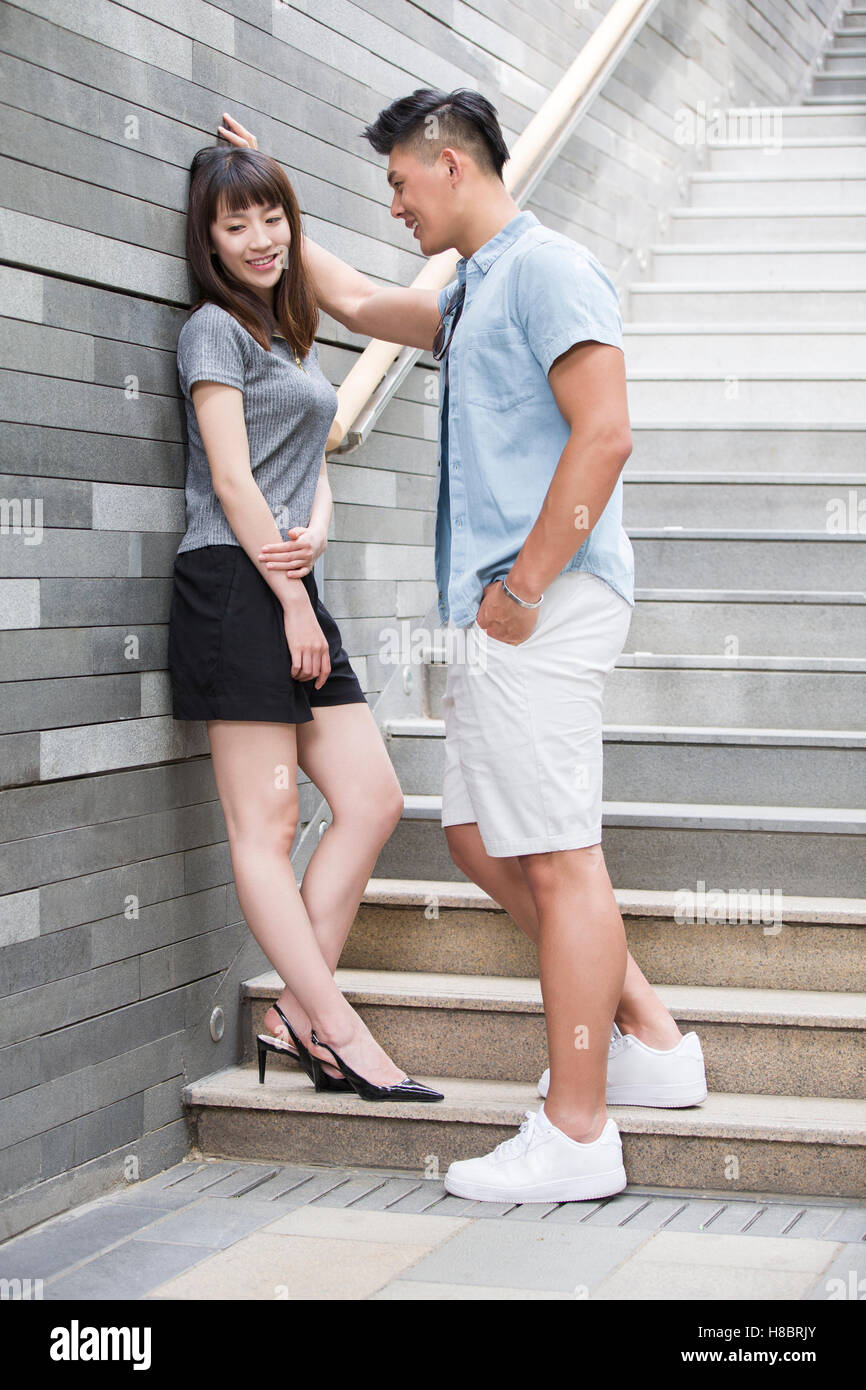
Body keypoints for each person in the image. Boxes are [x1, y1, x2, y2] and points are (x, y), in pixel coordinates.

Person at [218, 86, 705, 1200]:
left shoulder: (544, 270)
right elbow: (343, 296)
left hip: (539, 602)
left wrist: (529, 583)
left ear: (447, 162)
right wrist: (272, 200)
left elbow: (607, 432)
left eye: (396, 180)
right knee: (483, 840)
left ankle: (577, 1134)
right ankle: (650, 1039)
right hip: (495, 618)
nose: (392, 202)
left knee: (556, 852)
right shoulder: (473, 292)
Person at [168, 142, 442, 1103]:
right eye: (233, 224)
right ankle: (341, 1033)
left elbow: (309, 461)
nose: (258, 238)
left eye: (271, 217)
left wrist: (316, 534)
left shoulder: (286, 333)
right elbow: (232, 476)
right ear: (207, 240)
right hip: (234, 585)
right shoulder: (213, 331)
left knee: (372, 800)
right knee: (270, 822)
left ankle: (294, 1015)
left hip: (288, 578)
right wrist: (287, 596)